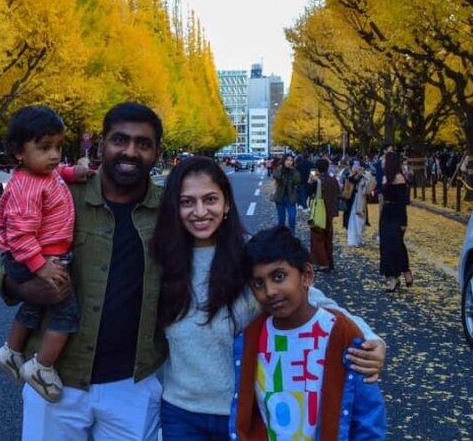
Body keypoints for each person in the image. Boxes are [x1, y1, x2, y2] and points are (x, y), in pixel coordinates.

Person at [151, 157, 386, 440]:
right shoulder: (161, 263)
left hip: (243, 412)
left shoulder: (248, 258)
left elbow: (317, 302)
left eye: (210, 199)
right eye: (187, 202)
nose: (200, 211)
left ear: (226, 204)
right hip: (180, 413)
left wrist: (372, 340)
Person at [0, 102, 167, 440]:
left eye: (143, 143)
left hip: (132, 383)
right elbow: (7, 269)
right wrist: (30, 289)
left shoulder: (169, 209)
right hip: (57, 379)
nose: (130, 151)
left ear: (156, 152)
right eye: (120, 140)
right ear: (101, 144)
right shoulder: (60, 195)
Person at [233, 226, 387, 440]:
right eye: (259, 283)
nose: (270, 291)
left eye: (279, 277)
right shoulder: (252, 337)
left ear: (306, 275)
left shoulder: (340, 334)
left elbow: (368, 418)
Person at [0, 106, 92, 403]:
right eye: (44, 147)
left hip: (39, 257)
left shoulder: (42, 174)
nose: (55, 155)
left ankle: (10, 351)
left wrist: (75, 172)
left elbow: (59, 173)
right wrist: (41, 267)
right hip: (37, 258)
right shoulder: (26, 188)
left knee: (35, 307)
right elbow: (20, 235)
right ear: (19, 152)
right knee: (66, 311)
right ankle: (42, 367)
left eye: (58, 147)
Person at [380, 151, 412, 292]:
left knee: (397, 245)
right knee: (386, 247)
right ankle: (393, 278)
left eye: (384, 160)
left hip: (396, 215)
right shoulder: (385, 178)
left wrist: (404, 221)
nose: (382, 162)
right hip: (386, 214)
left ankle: (404, 271)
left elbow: (402, 202)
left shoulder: (399, 178)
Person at [309, 158, 339, 271]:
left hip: (319, 212)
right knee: (328, 237)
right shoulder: (333, 180)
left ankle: (322, 263)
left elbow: (309, 192)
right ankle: (330, 261)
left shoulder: (317, 180)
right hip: (330, 211)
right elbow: (338, 193)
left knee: (317, 237)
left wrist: (310, 180)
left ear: (317, 169)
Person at [346, 162, 376, 247]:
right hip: (354, 201)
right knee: (355, 220)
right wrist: (357, 175)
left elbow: (368, 187)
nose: (358, 168)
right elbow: (351, 181)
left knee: (361, 221)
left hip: (361, 200)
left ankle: (359, 239)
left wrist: (363, 175)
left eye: (359, 166)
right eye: (356, 166)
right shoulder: (350, 175)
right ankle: (354, 240)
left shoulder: (364, 175)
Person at [271, 154, 301, 234]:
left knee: (292, 218)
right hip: (280, 198)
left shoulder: (294, 171)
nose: (289, 162)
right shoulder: (279, 168)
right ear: (284, 160)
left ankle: (292, 237)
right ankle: (282, 238)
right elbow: (276, 176)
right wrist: (281, 168)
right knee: (281, 220)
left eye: (291, 160)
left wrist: (293, 170)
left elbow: (297, 181)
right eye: (287, 160)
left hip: (290, 198)